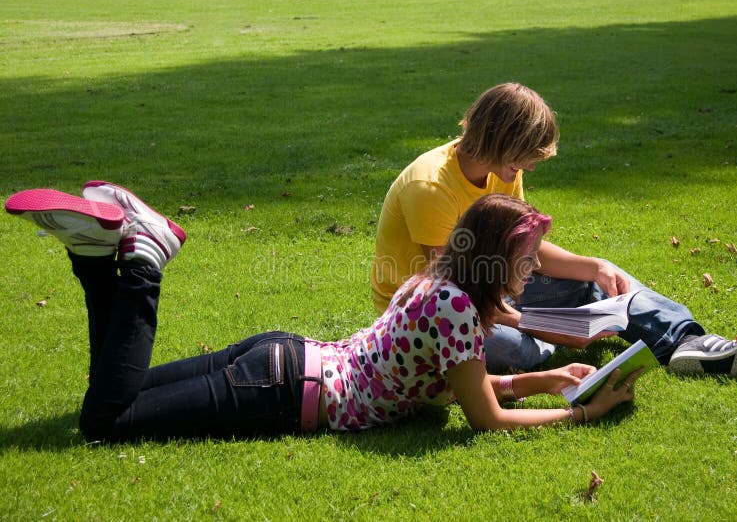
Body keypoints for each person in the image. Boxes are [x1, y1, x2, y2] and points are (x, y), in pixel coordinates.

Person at [5, 184, 643, 441]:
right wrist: (583, 411)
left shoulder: (437, 285)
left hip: (279, 359)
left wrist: (543, 379)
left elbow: (461, 390)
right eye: (526, 259)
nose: (532, 271)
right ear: (495, 259)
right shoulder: (454, 311)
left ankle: (94, 256)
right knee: (104, 422)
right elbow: (486, 418)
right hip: (280, 390)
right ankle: (142, 260)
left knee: (115, 393)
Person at [370, 82, 737, 376]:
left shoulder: (502, 169)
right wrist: (542, 326)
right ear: (498, 139)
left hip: (492, 284)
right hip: (429, 311)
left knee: (603, 284)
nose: (529, 167)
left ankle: (689, 342)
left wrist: (594, 265)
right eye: (524, 157)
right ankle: (552, 339)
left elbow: (522, 252)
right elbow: (451, 294)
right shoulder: (431, 187)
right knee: (518, 349)